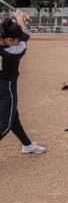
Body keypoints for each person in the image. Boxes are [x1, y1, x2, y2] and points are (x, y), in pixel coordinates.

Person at [0, 9, 46, 154]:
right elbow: (24, 41)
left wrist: (21, 20)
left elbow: (20, 36)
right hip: (5, 89)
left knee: (13, 117)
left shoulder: (5, 40)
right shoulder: (11, 53)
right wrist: (20, 18)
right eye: (17, 40)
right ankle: (27, 145)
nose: (20, 41)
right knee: (5, 125)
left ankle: (27, 145)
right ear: (9, 40)